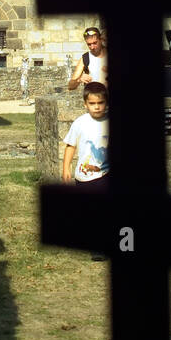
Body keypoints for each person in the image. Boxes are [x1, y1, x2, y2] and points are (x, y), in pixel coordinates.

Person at [62, 83, 109, 260]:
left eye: (100, 103)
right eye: (92, 103)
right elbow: (70, 146)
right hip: (83, 177)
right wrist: (66, 167)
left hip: (104, 174)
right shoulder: (80, 123)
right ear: (85, 104)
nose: (97, 107)